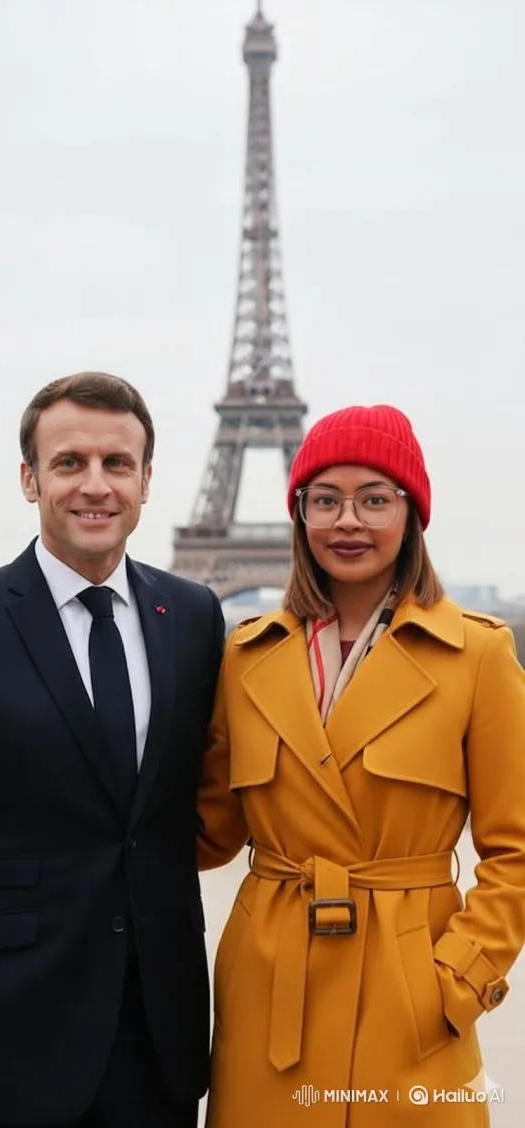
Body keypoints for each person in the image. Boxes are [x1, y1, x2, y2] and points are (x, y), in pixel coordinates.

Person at [197, 404, 525, 1127]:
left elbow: (516, 851)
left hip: (412, 990)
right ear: (300, 514)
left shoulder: (478, 656)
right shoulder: (243, 657)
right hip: (269, 988)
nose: (349, 520)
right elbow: (208, 832)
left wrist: (460, 979)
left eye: (375, 498)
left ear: (412, 514)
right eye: (326, 499)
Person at [0, 371, 224, 1128]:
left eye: (117, 464)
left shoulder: (193, 616)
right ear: (30, 479)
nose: (96, 485)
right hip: (11, 1022)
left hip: (158, 1030)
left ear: (147, 481)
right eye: (69, 463)